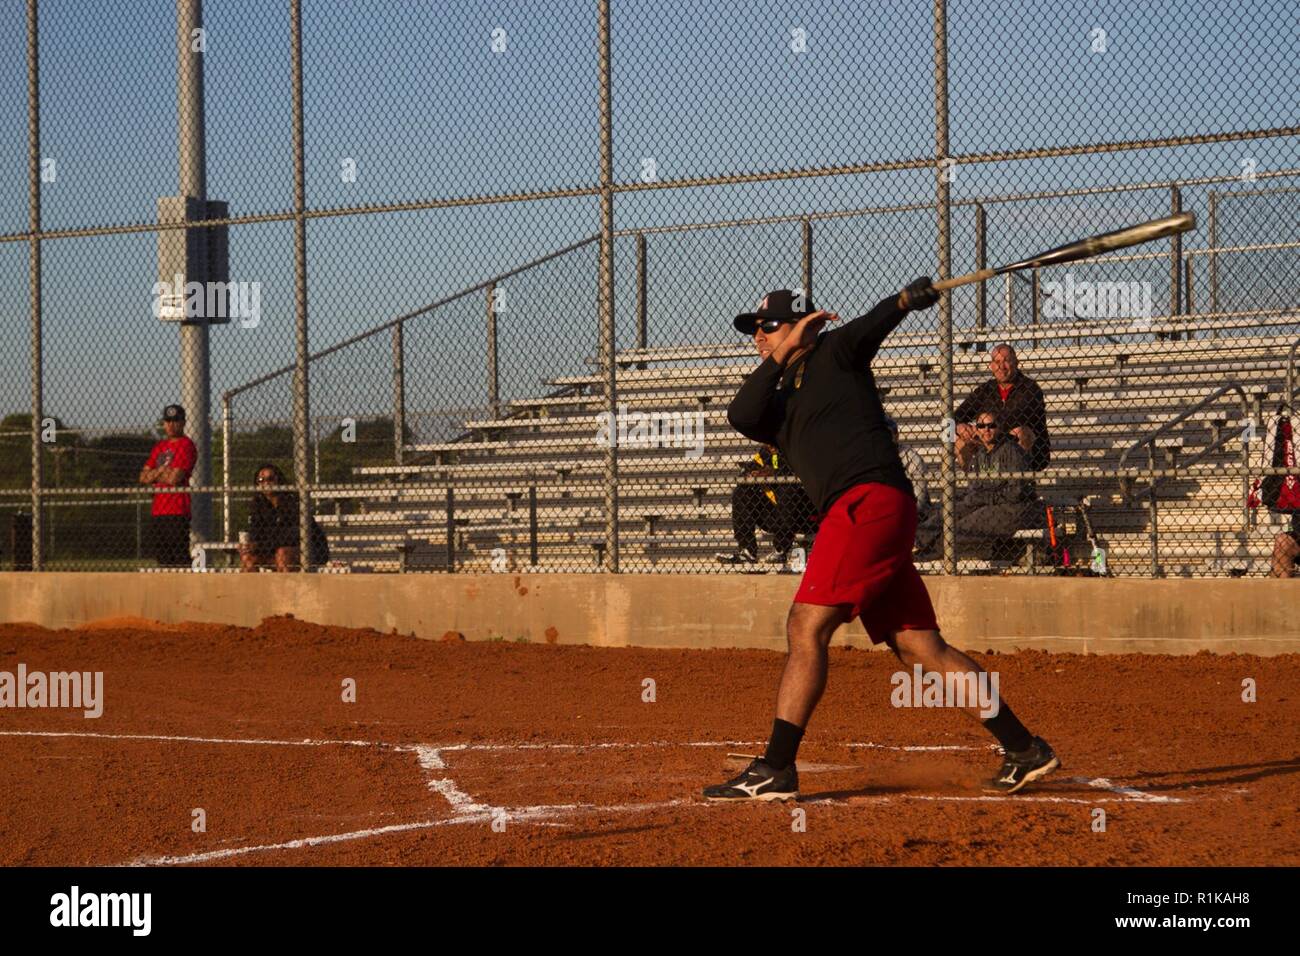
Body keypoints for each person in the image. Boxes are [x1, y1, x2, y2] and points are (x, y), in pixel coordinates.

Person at [703, 286, 1058, 802]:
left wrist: (905, 299)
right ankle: (1025, 749)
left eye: (769, 326)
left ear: (803, 326)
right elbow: (740, 414)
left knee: (806, 624)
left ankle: (777, 767)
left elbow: (873, 323)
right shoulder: (775, 400)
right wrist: (780, 351)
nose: (759, 336)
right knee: (918, 644)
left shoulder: (836, 354)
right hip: (871, 511)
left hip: (866, 503)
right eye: (757, 330)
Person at [914, 410, 1040, 561]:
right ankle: (914, 541)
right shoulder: (980, 454)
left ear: (999, 427)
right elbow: (975, 489)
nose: (986, 430)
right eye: (981, 426)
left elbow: (1017, 492)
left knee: (958, 530)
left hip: (1012, 507)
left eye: (991, 425)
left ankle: (920, 557)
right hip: (985, 503)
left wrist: (984, 497)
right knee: (947, 510)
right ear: (977, 429)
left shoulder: (1011, 450)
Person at [715, 443, 817, 569]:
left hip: (804, 515)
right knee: (741, 492)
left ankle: (780, 550)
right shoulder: (765, 452)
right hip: (774, 514)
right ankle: (747, 552)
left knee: (787, 490)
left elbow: (800, 473)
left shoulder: (795, 447)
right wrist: (753, 474)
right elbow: (746, 472)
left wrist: (773, 473)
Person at [954, 344, 1050, 471]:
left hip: (1023, 449)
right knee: (957, 438)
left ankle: (1018, 484)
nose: (1001, 366)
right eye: (997, 361)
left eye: (1007, 361)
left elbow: (1013, 419)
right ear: (991, 366)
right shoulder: (986, 389)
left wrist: (981, 430)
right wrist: (959, 428)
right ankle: (974, 485)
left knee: (1020, 432)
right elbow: (955, 416)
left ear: (1016, 363)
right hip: (990, 442)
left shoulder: (1030, 388)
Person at [240, 463, 329, 572]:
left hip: (308, 550)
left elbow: (291, 537)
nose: (266, 483)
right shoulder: (258, 505)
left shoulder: (292, 501)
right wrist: (249, 545)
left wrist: (261, 544)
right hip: (273, 549)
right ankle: (251, 589)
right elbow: (256, 532)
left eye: (270, 479)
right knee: (248, 557)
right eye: (261, 480)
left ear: (279, 480)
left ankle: (285, 589)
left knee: (283, 554)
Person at [138, 404, 197, 567]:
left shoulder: (186, 445)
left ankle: (185, 591)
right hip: (158, 510)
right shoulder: (160, 447)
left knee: (179, 559)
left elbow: (175, 478)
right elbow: (142, 477)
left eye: (175, 420)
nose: (171, 424)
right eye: (168, 421)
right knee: (163, 560)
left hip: (177, 509)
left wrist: (155, 474)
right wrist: (163, 471)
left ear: (183, 423)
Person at [885, 416, 932, 525]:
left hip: (912, 513)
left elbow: (919, 498)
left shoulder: (910, 457)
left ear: (896, 436)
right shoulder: (873, 457)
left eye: (889, 433)